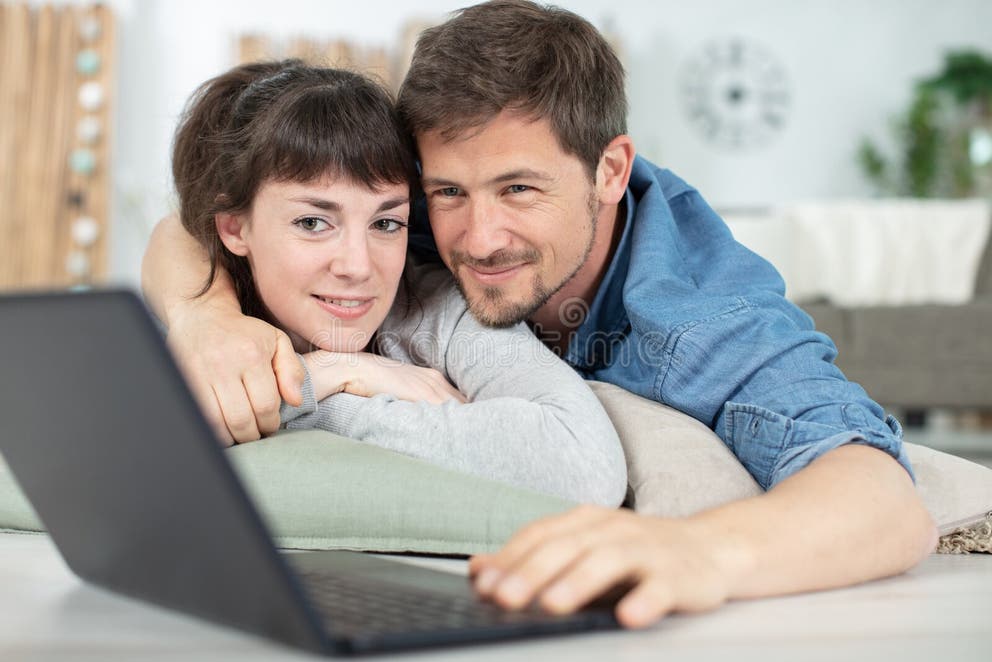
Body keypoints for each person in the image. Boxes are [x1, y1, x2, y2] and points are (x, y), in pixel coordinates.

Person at [143, 1, 937, 630]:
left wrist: (699, 553)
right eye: (448, 193)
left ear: (609, 170)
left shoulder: (697, 317)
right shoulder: (410, 216)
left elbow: (884, 498)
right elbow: (193, 225)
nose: (479, 239)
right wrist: (206, 319)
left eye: (520, 190)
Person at [161, 58, 628, 507]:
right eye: (312, 222)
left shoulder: (436, 307)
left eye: (386, 224)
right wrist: (334, 374)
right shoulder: (200, 327)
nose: (358, 267)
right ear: (233, 229)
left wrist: (313, 393)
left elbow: (582, 464)